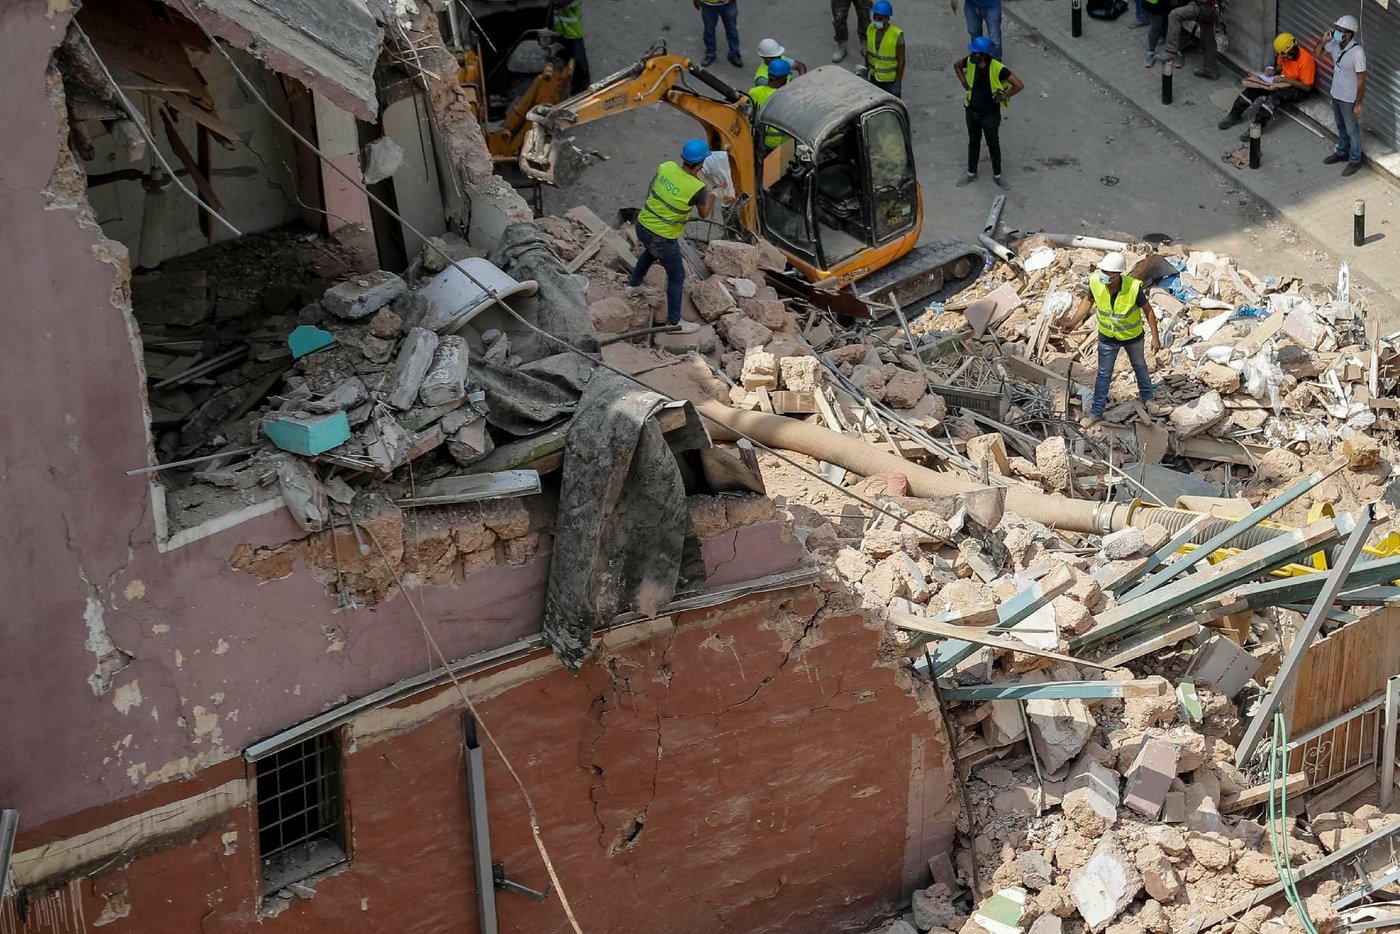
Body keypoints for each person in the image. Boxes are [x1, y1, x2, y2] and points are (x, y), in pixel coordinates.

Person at [627, 139, 716, 335]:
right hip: (663, 237)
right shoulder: (697, 188)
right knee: (677, 277)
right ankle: (673, 323)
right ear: (701, 163)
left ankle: (632, 285)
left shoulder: (666, 167)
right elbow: (704, 213)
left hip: (643, 225)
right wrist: (714, 194)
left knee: (650, 253)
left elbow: (652, 189)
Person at [1074, 252, 1164, 426]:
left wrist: (1155, 337)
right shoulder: (1095, 282)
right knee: (1103, 374)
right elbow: (1088, 301)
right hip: (1108, 337)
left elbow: (1149, 311)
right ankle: (1096, 411)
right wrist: (1073, 322)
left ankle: (1148, 399)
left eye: (1109, 272)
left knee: (1139, 366)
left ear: (1117, 274)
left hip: (1132, 337)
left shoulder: (1133, 288)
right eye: (1103, 271)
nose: (1104, 275)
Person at [953, 37, 1023, 191]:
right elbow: (957, 65)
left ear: (983, 55)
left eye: (975, 53)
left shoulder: (998, 68)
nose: (972, 55)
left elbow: (1018, 85)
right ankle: (971, 173)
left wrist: (1004, 96)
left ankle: (997, 175)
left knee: (993, 143)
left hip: (990, 114)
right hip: (971, 110)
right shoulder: (970, 62)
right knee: (973, 141)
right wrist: (964, 84)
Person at [1218, 33, 1314, 138]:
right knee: (1253, 89)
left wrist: (1287, 80)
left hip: (1298, 89)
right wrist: (1273, 71)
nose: (1286, 58)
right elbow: (1279, 67)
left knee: (1274, 96)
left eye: (1287, 55)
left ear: (1293, 48)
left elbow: (1307, 87)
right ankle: (1234, 115)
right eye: (1284, 56)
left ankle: (1257, 126)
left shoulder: (1306, 60)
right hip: (1282, 82)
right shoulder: (1284, 55)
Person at [1315, 15, 1366, 176]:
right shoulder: (1335, 45)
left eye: (1341, 30)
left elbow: (1361, 81)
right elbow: (1317, 55)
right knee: (1340, 126)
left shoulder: (1357, 53)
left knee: (1353, 130)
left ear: (1349, 34)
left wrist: (1358, 104)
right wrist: (1323, 40)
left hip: (1349, 99)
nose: (1337, 32)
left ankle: (1355, 160)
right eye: (1336, 28)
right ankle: (1342, 151)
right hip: (1336, 94)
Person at [1161, 0, 1221, 79]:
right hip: (1210, 9)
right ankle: (1210, 70)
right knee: (1208, 38)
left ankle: (1171, 50)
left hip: (1204, 7)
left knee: (1174, 15)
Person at [749, 58, 793, 148]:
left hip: (761, 140)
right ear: (782, 78)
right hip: (783, 144)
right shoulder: (788, 96)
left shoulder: (753, 92)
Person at [865, 1, 905, 97]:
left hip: (889, 81)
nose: (876, 20)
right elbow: (869, 52)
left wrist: (898, 83)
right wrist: (866, 70)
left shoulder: (897, 35)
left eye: (879, 18)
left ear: (887, 19)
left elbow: (901, 60)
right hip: (874, 76)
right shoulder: (870, 28)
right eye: (874, 17)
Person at [551, 0, 590, 95]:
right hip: (560, 30)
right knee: (562, 58)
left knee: (579, 63)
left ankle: (581, 91)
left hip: (572, 32)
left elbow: (561, 3)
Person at [694, 0, 742, 69]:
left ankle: (734, 53)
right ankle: (710, 53)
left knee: (732, 30)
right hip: (709, 5)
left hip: (728, 4)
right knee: (709, 30)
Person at [1142, 0, 1170, 66]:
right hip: (1156, 5)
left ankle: (1177, 49)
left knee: (1173, 24)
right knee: (1155, 28)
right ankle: (1151, 51)